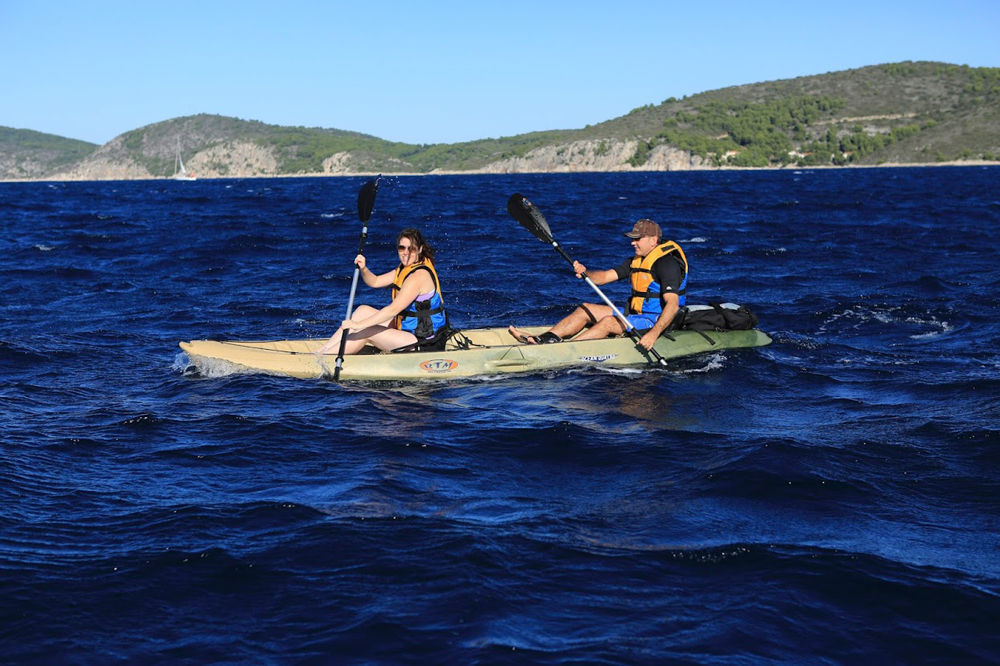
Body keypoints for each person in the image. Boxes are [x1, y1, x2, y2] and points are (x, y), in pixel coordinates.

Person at [508, 218, 688, 350]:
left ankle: (564, 350)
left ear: (653, 240)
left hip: (655, 320)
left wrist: (653, 334)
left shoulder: (667, 264)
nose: (632, 243)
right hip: (635, 315)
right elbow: (605, 276)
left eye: (637, 239)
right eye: (632, 238)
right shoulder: (637, 260)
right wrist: (586, 273)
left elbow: (672, 305)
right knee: (585, 309)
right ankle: (542, 339)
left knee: (608, 322)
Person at [319, 228, 449, 355]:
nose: (406, 253)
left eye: (412, 249)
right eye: (402, 248)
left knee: (368, 330)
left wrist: (358, 325)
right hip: (408, 330)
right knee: (362, 311)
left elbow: (392, 310)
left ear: (420, 249)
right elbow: (375, 282)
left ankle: (328, 357)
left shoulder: (418, 276)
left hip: (424, 342)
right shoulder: (405, 269)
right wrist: (364, 269)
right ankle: (323, 352)